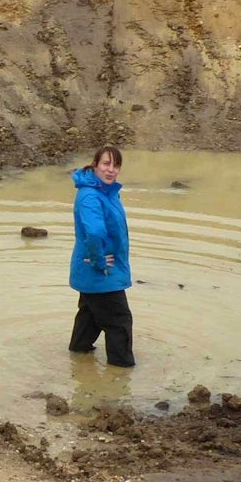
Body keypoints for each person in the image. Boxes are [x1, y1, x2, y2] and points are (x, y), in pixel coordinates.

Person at [68, 145, 134, 367]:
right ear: (95, 165)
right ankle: (121, 372)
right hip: (102, 271)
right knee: (119, 321)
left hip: (92, 271)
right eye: (106, 164)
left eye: (116, 165)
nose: (111, 170)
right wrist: (98, 261)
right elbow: (94, 232)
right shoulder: (91, 197)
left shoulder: (104, 191)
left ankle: (78, 356)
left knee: (90, 315)